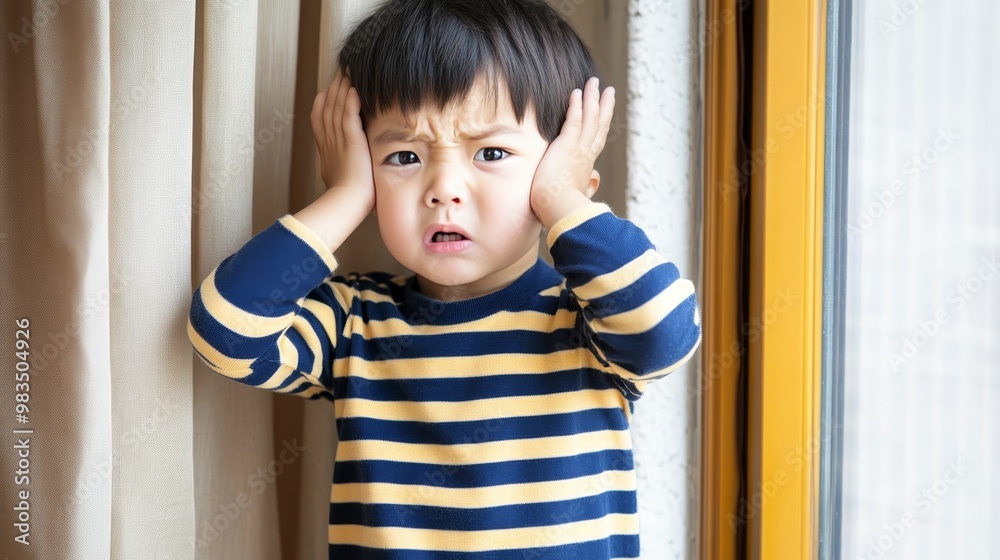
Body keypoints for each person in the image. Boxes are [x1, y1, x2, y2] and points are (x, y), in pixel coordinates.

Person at [187, 0, 702, 557]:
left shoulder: (586, 323)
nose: (444, 189)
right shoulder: (355, 322)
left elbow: (663, 332)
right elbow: (224, 333)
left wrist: (562, 198)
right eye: (404, 157)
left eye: (492, 152)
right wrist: (345, 196)